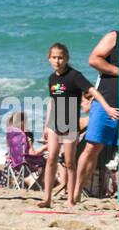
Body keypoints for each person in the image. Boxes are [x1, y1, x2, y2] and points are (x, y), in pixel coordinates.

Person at [39, 43, 111, 209]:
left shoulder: (75, 76)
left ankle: (71, 199)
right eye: (54, 58)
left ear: (67, 59)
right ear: (49, 59)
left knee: (70, 163)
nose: (57, 61)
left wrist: (106, 106)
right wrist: (45, 125)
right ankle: (47, 199)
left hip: (70, 122)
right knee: (51, 159)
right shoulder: (52, 78)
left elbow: (92, 91)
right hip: (54, 123)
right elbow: (52, 102)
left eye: (61, 57)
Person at [73, 31, 119, 204]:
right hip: (106, 101)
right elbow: (94, 59)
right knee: (92, 148)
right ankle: (76, 193)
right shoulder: (116, 36)